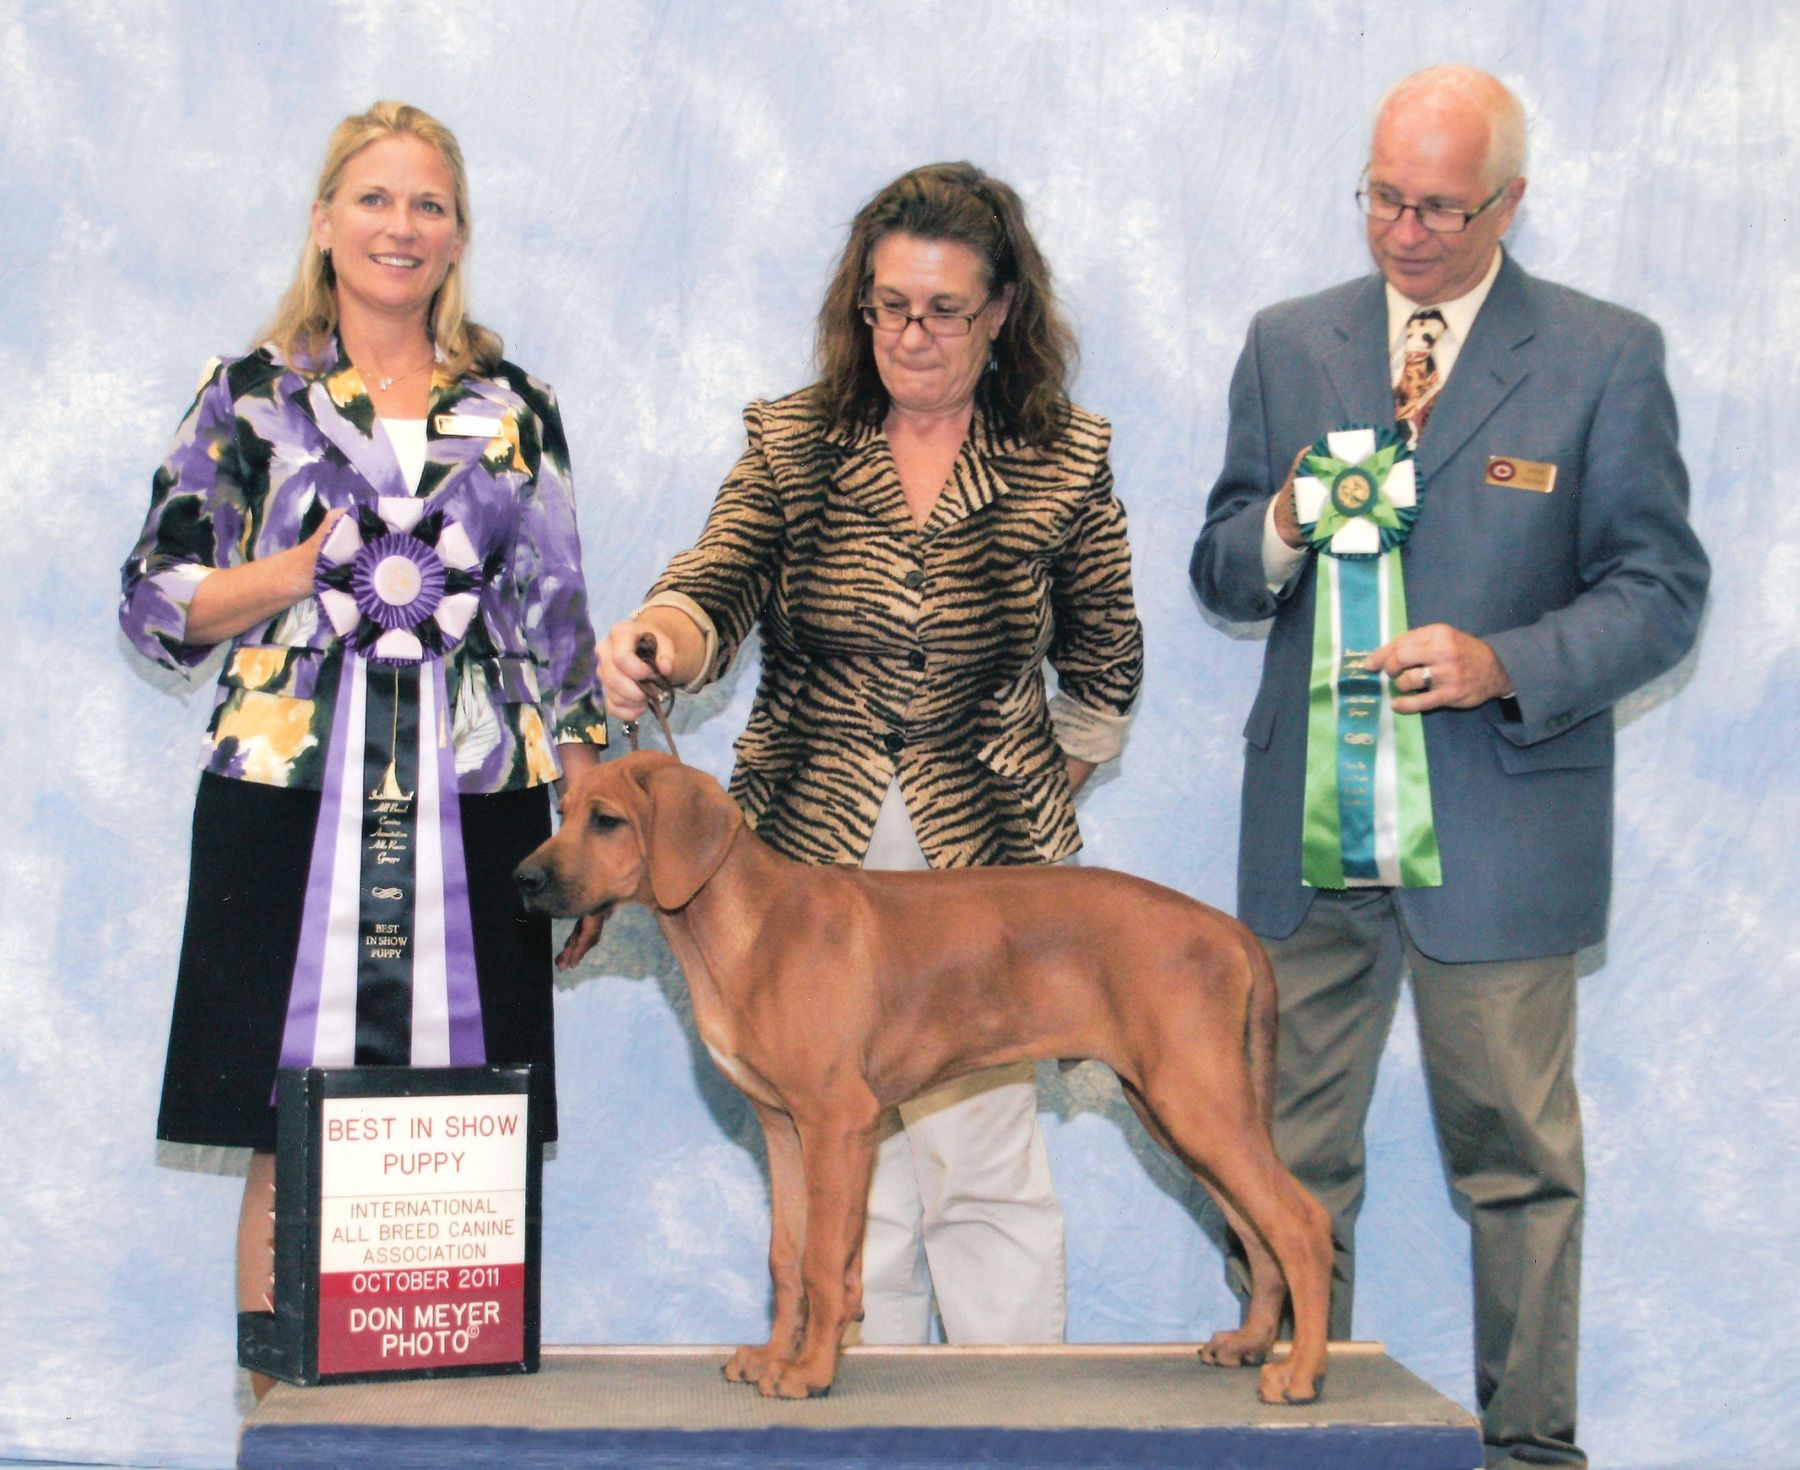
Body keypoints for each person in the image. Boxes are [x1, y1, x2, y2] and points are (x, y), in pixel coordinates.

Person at [1190, 65, 1709, 1467]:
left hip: (1499, 831)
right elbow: (1224, 567)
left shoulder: (1605, 356)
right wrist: (1284, 521)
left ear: (1508, 204)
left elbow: (1661, 593)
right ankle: (1295, 1438)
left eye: (1437, 208)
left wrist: (1504, 663)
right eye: (1382, 199)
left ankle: (1530, 1452)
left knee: (1519, 1170)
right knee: (1279, 1158)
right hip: (1308, 838)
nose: (1403, 233)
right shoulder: (1287, 342)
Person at [595, 162, 1144, 1346]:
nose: (911, 334)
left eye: (944, 309)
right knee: (843, 1145)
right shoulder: (793, 438)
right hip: (806, 846)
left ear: (1002, 312)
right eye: (889, 305)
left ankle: (1015, 1409)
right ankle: (861, 1397)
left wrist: (1041, 785)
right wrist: (663, 636)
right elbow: (716, 579)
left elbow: (1105, 654)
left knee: (984, 1150)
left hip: (987, 864)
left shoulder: (1064, 455)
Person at [119, 101, 607, 1392]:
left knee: (467, 1130)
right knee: (284, 1122)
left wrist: (589, 813)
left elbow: (559, 622)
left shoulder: (516, 409)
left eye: (429, 204)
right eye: (376, 199)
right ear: (325, 221)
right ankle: (281, 1420)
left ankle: (450, 1426)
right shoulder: (248, 397)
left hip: (484, 800)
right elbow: (156, 601)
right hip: (283, 795)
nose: (402, 226)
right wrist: (297, 569)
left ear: (459, 237)